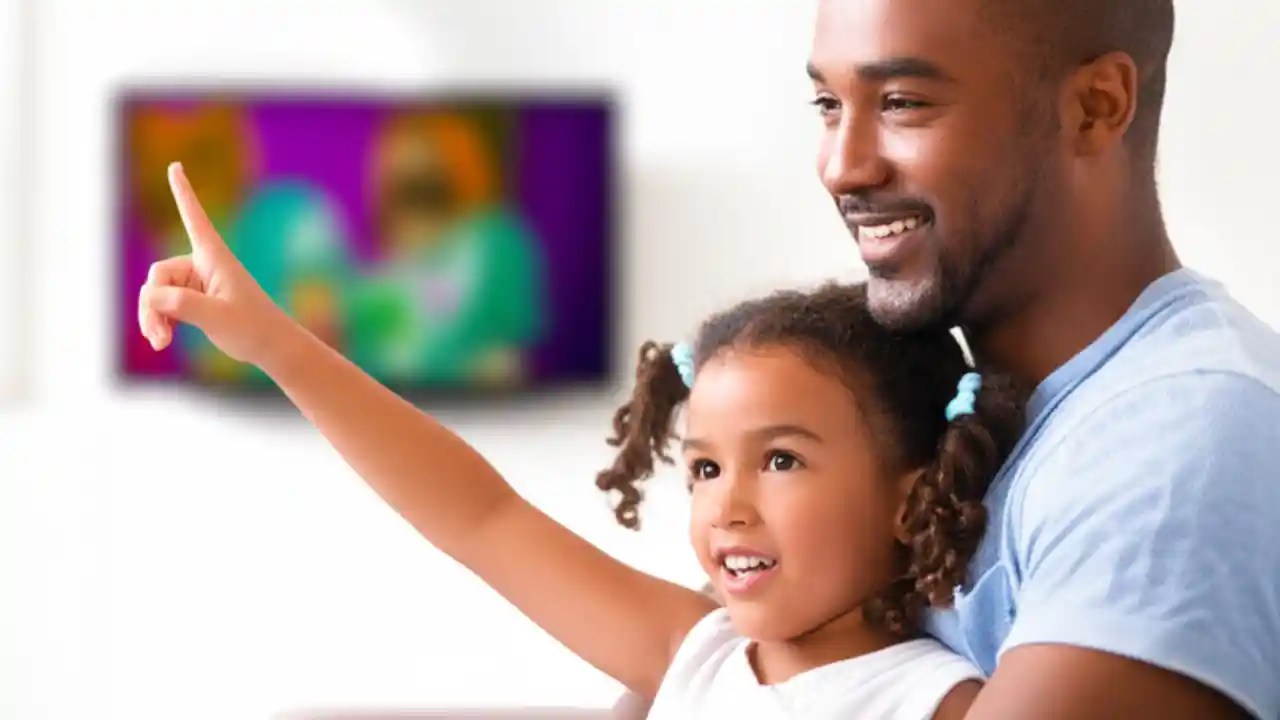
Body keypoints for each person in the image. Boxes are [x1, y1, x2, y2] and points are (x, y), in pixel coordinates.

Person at [138, 163, 1025, 718]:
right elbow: (480, 515)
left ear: (912, 498)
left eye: (781, 460)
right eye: (706, 468)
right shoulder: (697, 652)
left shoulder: (937, 704)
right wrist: (275, 345)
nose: (728, 507)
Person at [805, 0, 1280, 717]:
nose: (842, 167)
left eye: (902, 103)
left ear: (1095, 107)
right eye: (828, 103)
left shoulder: (1184, 436)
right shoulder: (926, 412)